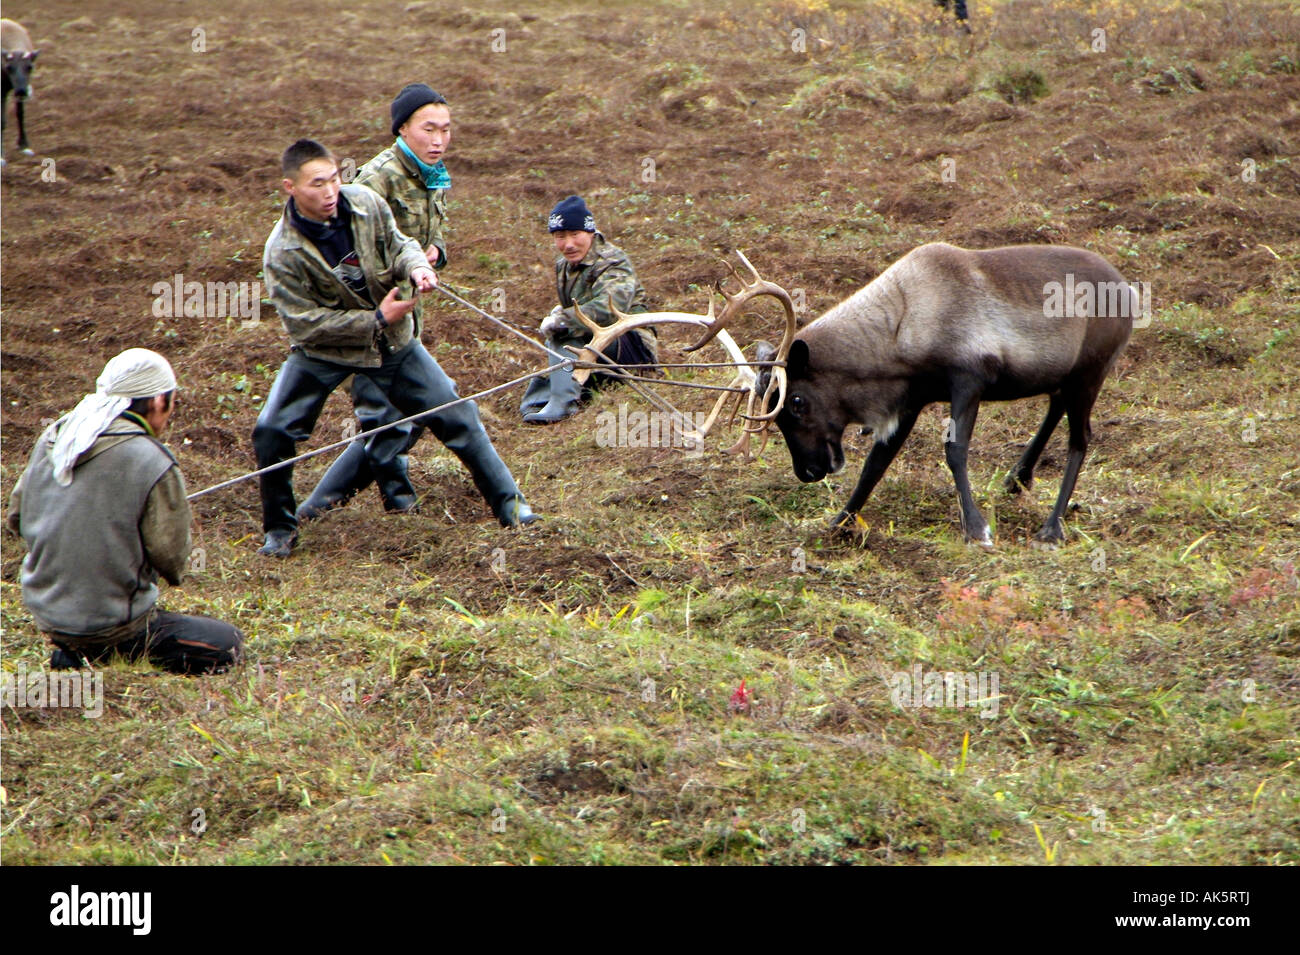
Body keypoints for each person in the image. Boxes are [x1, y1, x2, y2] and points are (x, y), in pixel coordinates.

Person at [254, 137, 536, 558]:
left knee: (458, 414)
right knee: (272, 431)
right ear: (289, 188)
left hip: (392, 343)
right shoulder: (282, 251)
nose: (330, 192)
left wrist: (418, 267)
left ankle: (513, 508)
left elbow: (401, 243)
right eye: (317, 184)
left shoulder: (366, 203)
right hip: (325, 352)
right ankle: (280, 530)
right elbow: (304, 324)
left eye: (333, 178)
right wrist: (375, 319)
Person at [6, 349, 244, 674]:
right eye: (172, 402)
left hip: (50, 619)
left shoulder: (55, 437)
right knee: (228, 642)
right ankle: (105, 652)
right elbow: (172, 560)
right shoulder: (151, 458)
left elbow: (16, 516)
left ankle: (74, 651)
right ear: (160, 401)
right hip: (117, 626)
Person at [295, 84, 449, 521]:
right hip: (369, 318)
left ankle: (327, 505)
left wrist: (433, 250)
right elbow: (349, 252)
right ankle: (379, 503)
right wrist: (373, 314)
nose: (439, 139)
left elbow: (433, 227)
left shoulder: (432, 174)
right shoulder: (374, 180)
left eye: (446, 130)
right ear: (402, 129)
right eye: (429, 129)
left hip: (407, 309)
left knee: (401, 412)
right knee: (391, 414)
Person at [521, 195, 658, 424]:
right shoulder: (563, 265)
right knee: (559, 336)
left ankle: (561, 404)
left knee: (563, 334)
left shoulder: (612, 261)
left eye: (575, 234)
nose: (568, 244)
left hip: (632, 347)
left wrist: (563, 319)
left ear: (591, 233)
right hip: (597, 345)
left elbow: (610, 308)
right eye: (560, 236)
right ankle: (544, 401)